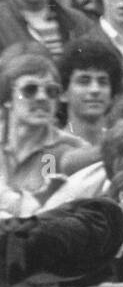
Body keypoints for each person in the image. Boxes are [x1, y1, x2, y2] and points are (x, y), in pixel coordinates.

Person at [0, 50, 86, 215]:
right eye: (30, 90)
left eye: (51, 91)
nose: (42, 97)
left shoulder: (70, 149)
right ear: (8, 99)